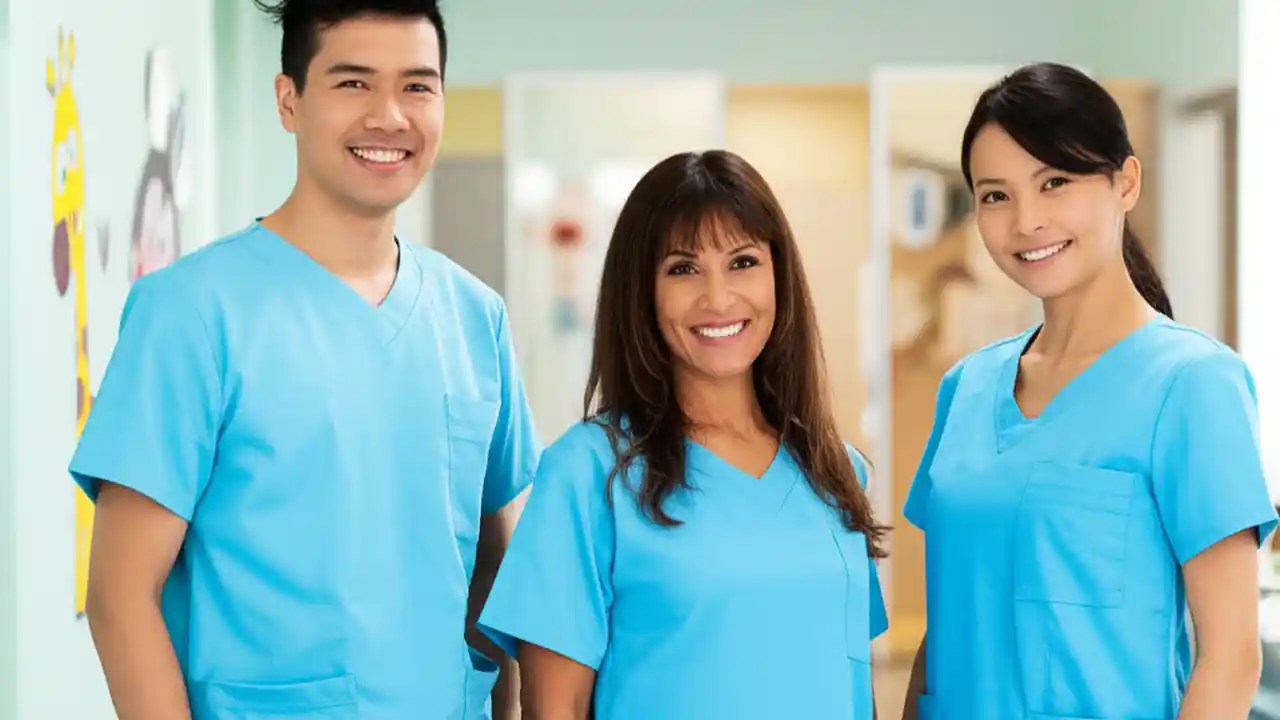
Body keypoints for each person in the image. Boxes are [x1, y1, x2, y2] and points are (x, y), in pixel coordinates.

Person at [69, 1, 539, 718]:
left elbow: (499, 575)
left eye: (418, 86)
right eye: (354, 84)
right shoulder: (191, 312)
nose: (389, 116)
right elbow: (120, 597)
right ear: (289, 100)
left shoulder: (474, 317)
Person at [902, 62, 1279, 720]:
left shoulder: (1192, 385)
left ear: (1125, 183)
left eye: (1055, 182)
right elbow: (948, 629)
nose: (1026, 220)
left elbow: (1231, 657)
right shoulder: (966, 388)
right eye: (996, 195)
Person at [477, 150, 889, 719]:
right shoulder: (588, 472)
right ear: (641, 291)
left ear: (779, 276)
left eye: (743, 262)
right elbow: (555, 709)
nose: (717, 298)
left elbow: (851, 687)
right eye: (683, 268)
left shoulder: (836, 470)